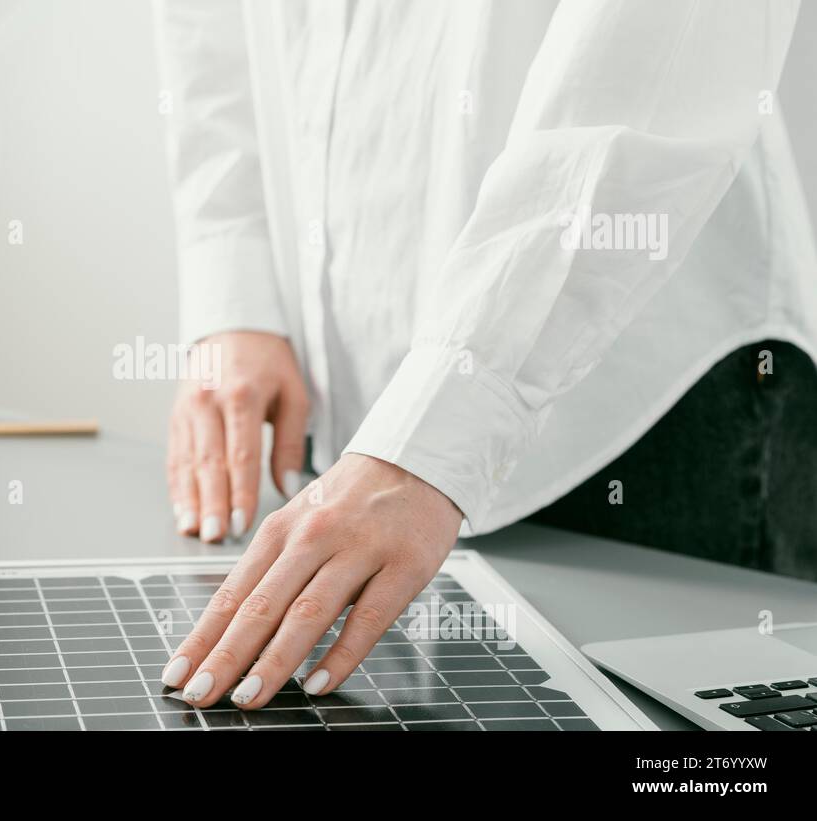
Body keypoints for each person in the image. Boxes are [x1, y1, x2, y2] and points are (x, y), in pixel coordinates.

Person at [152, 0, 816, 711]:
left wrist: (438, 428)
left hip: (636, 395)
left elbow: (657, 48)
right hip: (362, 407)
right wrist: (235, 289)